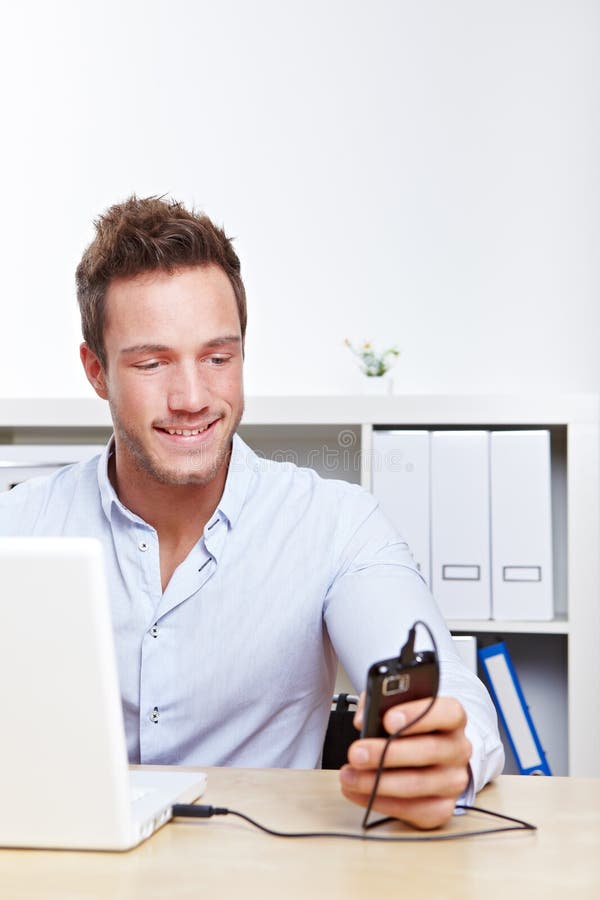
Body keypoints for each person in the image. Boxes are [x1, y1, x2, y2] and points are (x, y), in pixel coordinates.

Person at [0, 195, 503, 829]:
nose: (192, 398)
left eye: (218, 358)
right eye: (152, 363)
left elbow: (457, 695)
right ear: (97, 371)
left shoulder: (334, 525)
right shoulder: (17, 529)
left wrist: (445, 755)